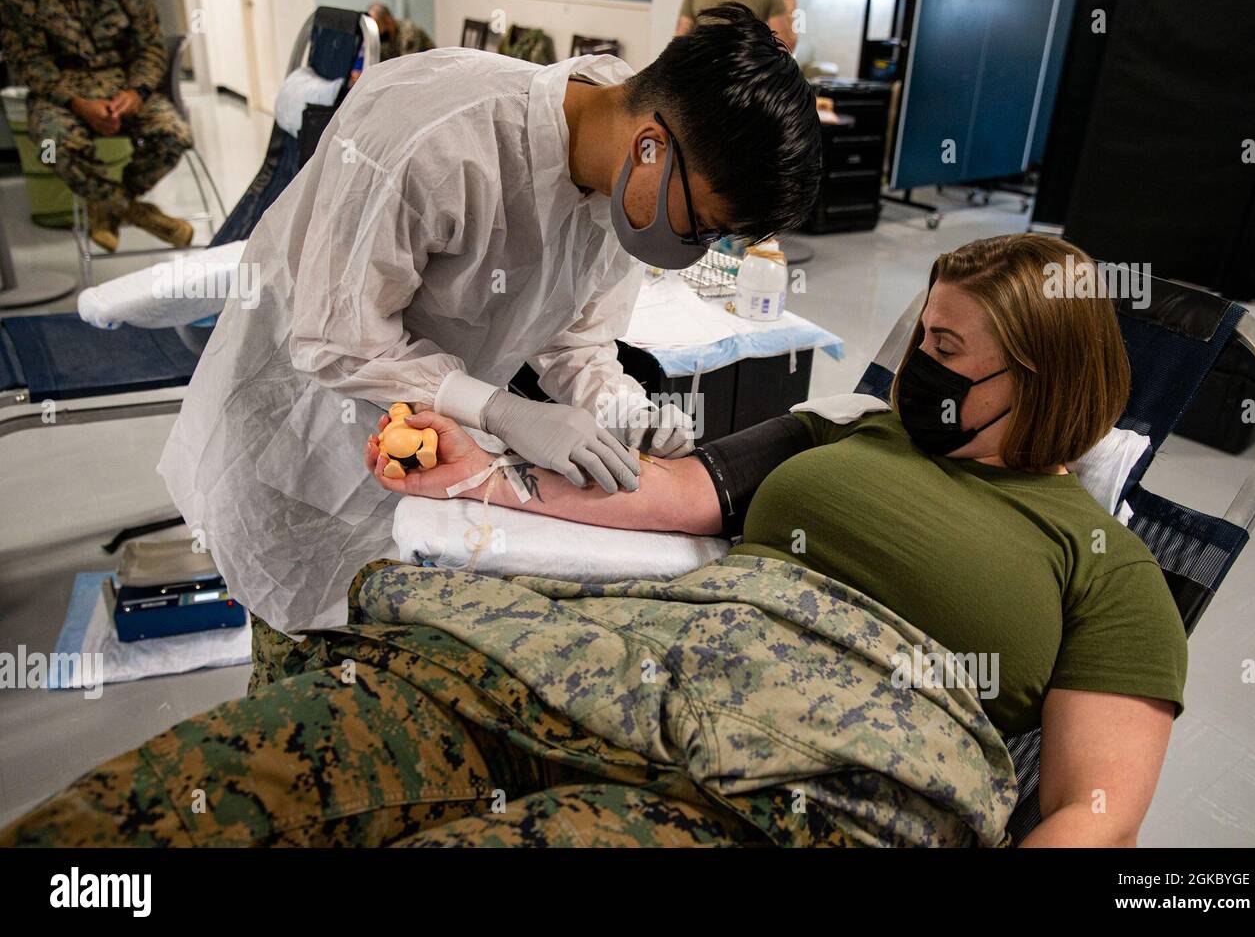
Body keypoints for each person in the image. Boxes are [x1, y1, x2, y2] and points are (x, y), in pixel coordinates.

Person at [2, 235, 1186, 849]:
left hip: (805, 770)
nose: (913, 363)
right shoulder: (846, 430)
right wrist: (495, 475)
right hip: (587, 664)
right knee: (203, 788)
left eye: (947, 349)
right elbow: (670, 493)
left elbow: (1092, 807)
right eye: (920, 333)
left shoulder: (1105, 567)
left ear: (1042, 378)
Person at [157, 3, 822, 637]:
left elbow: (575, 338)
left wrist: (624, 409)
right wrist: (502, 412)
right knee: (298, 633)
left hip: (423, 444)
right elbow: (336, 339)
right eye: (700, 225)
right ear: (651, 147)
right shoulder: (434, 137)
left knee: (378, 623)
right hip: (302, 424)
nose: (692, 250)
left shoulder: (623, 170)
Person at [0, 0, 195, 252]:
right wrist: (79, 104)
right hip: (59, 94)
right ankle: (135, 212)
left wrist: (137, 92)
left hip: (124, 86)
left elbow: (150, 46)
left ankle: (105, 205)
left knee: (176, 135)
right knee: (51, 149)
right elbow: (27, 60)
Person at [678, 0, 797, 52]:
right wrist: (789, 11)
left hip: (703, 80)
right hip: (743, 84)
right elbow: (784, 46)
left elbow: (679, 41)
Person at [366, 2, 436, 62]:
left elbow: (407, 65)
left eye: (375, 24)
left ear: (388, 20)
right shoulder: (383, 37)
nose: (373, 28)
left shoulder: (409, 32)